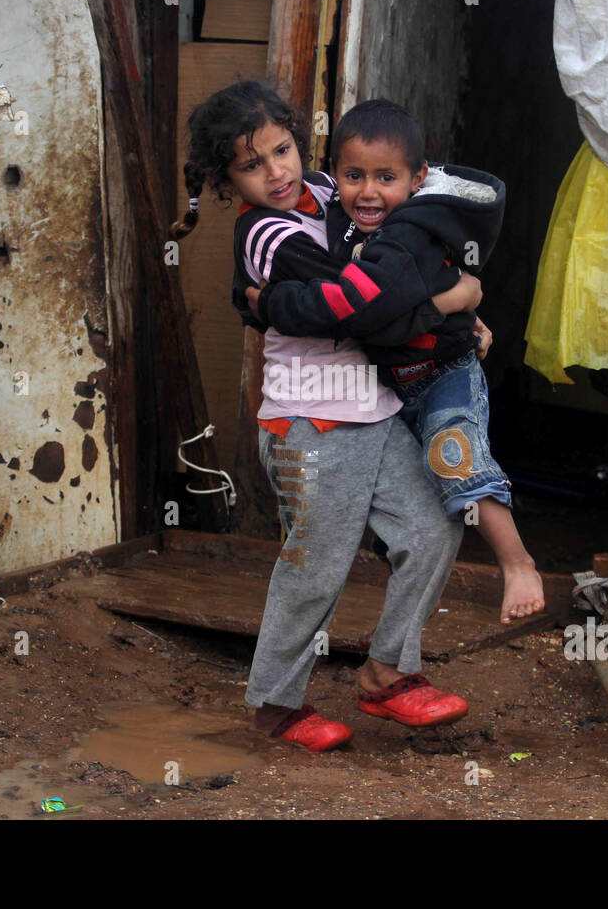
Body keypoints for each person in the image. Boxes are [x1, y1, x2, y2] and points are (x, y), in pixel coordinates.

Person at [172, 81, 481, 751]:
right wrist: (452, 300)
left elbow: (404, 248)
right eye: (251, 166)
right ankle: (274, 706)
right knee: (316, 566)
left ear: (298, 140)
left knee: (433, 527)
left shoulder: (331, 187)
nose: (276, 172)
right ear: (229, 180)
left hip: (372, 413)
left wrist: (453, 305)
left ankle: (387, 673)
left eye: (281, 150)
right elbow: (368, 296)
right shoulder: (263, 233)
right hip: (307, 423)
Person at [250, 99, 547, 625]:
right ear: (334, 174)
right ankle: (389, 657)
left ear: (418, 179)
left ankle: (517, 562)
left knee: (455, 456)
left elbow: (366, 315)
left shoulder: (410, 234)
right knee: (417, 498)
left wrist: (272, 303)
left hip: (444, 373)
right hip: (398, 384)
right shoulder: (336, 216)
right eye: (354, 175)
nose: (368, 191)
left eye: (386, 177)